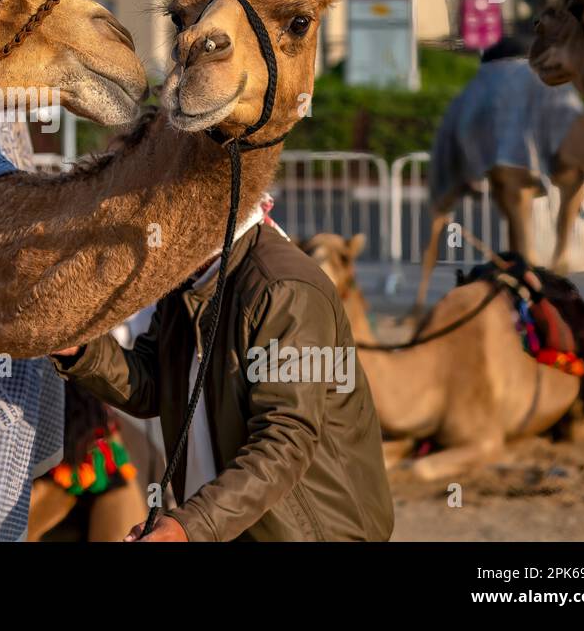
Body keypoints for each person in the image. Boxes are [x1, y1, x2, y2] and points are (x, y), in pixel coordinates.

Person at [51, 203, 394, 542]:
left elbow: (284, 440)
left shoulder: (284, 289)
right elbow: (153, 386)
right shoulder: (189, 284)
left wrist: (189, 527)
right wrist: (82, 350)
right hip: (224, 526)